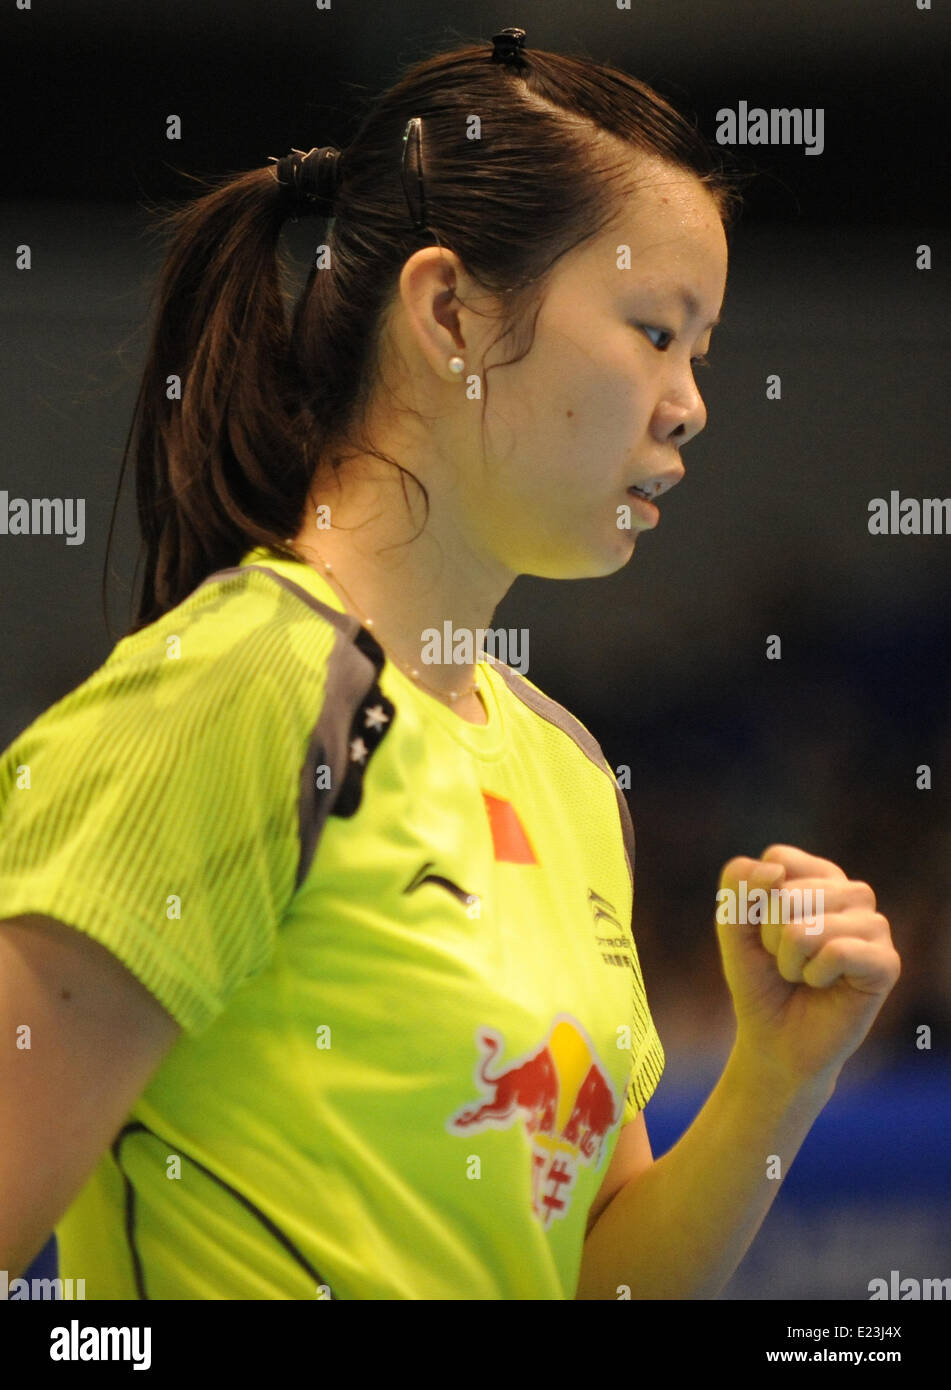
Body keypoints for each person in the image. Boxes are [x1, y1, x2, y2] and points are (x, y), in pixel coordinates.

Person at [0, 30, 899, 1300]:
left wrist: (773, 1079)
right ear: (448, 312)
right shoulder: (237, 694)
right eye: (654, 330)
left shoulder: (571, 774)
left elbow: (601, 1281)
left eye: (700, 349)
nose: (692, 400)